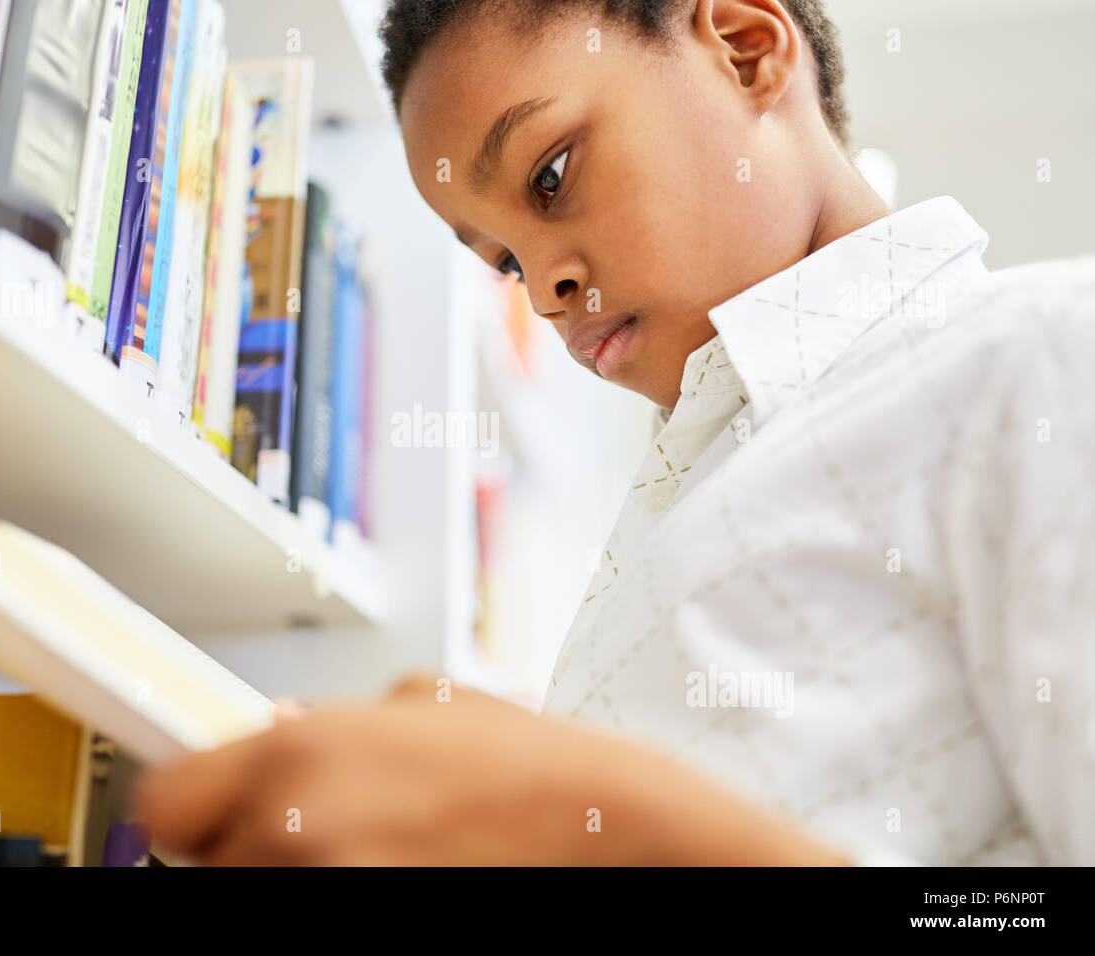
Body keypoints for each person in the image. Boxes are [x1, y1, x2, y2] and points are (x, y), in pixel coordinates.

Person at [137, 0, 1094, 865]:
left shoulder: (1042, 354)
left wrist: (608, 818)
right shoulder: (688, 495)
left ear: (746, 49)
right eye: (506, 262)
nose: (548, 287)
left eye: (550, 177)